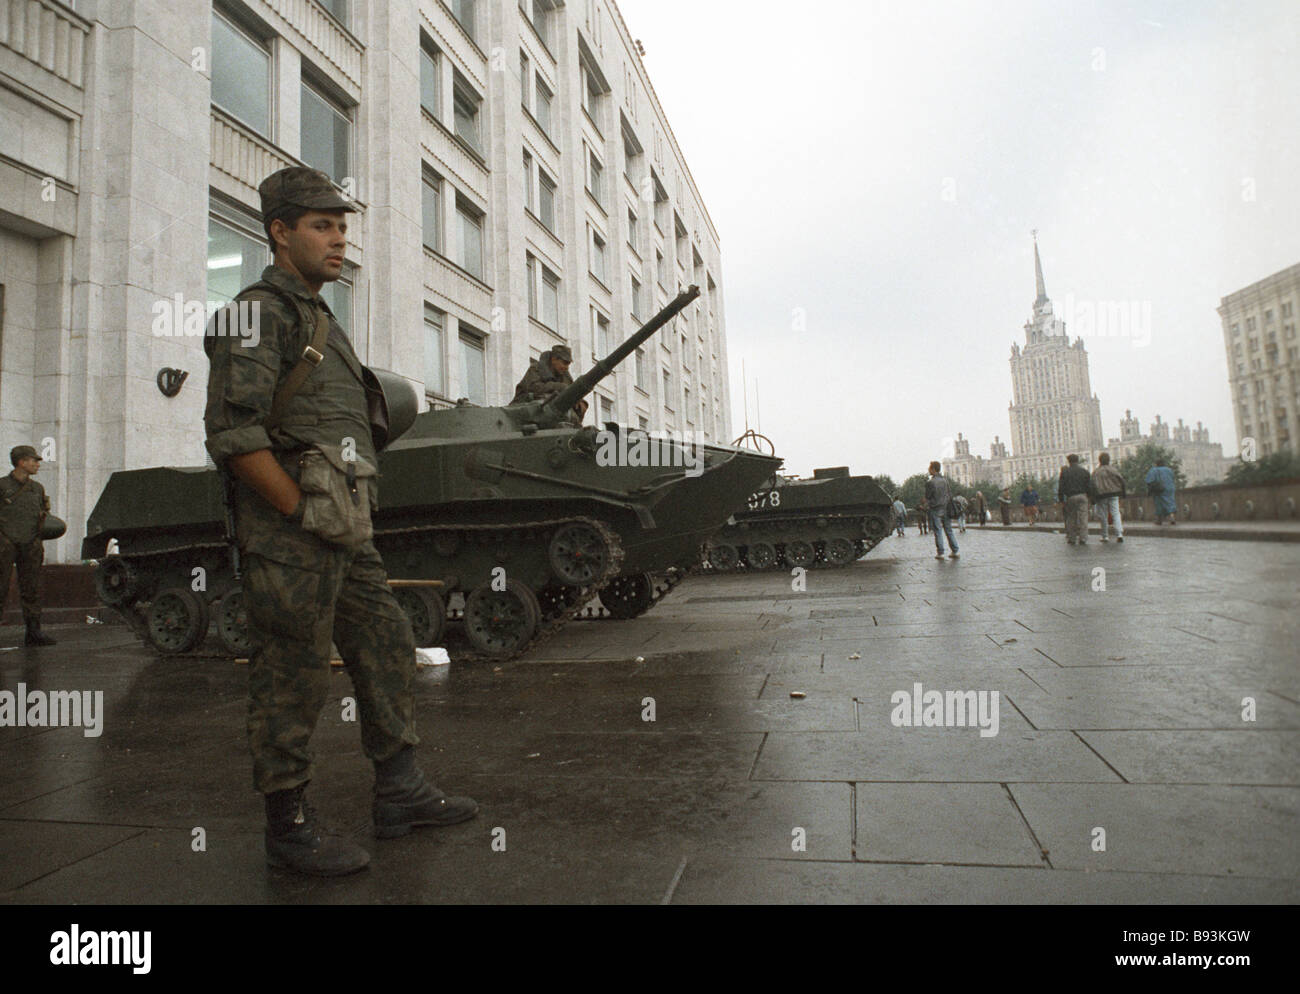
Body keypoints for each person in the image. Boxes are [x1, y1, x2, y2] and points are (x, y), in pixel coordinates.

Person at [204, 166, 476, 877]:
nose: (339, 238)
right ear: (279, 231)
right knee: (291, 670)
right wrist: (299, 511)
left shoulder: (319, 316)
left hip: (341, 530)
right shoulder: (256, 313)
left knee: (385, 640)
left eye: (343, 225)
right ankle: (288, 828)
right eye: (322, 225)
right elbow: (234, 438)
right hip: (290, 535)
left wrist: (333, 516)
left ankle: (401, 790)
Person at [0, 445, 57, 646]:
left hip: (30, 544)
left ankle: (33, 633)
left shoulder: (37, 488)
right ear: (21, 462)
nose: (37, 464)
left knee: (32, 589)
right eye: (33, 460)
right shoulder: (2, 486)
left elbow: (43, 515)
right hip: (5, 545)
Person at [510, 344, 588, 424]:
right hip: (523, 410)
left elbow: (570, 390)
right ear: (554, 359)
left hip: (554, 419)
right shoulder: (536, 369)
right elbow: (533, 387)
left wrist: (579, 401)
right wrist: (559, 387)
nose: (567, 367)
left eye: (568, 364)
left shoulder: (565, 376)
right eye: (564, 363)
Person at [924, 461, 959, 560]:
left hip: (936, 508)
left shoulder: (930, 482)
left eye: (929, 468)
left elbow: (928, 496)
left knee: (938, 531)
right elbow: (949, 494)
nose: (928, 470)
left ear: (933, 469)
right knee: (949, 530)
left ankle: (941, 553)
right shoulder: (945, 480)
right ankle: (955, 550)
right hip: (946, 508)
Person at [1057, 454, 1093, 545]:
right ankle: (1083, 538)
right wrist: (1090, 497)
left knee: (1071, 518)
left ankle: (1072, 538)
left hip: (1071, 497)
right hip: (1082, 496)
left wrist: (1061, 499)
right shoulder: (1084, 471)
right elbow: (1089, 486)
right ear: (1077, 461)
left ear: (1069, 461)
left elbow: (1061, 487)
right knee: (1083, 518)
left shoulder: (1065, 472)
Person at [1091, 452, 1126, 543]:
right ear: (1109, 460)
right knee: (1116, 513)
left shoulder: (1096, 472)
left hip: (1101, 495)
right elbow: (1122, 480)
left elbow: (1092, 485)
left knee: (1103, 515)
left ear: (1099, 461)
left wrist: (1093, 498)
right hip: (1114, 493)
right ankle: (1119, 534)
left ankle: (1105, 536)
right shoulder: (1114, 469)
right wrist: (1123, 493)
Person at [1145, 458, 1177, 525]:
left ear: (1156, 464)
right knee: (1170, 502)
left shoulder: (1154, 470)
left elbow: (1149, 481)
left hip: (1160, 489)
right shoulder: (1169, 470)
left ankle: (1159, 520)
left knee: (1159, 504)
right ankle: (1172, 516)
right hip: (1170, 488)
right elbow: (1173, 478)